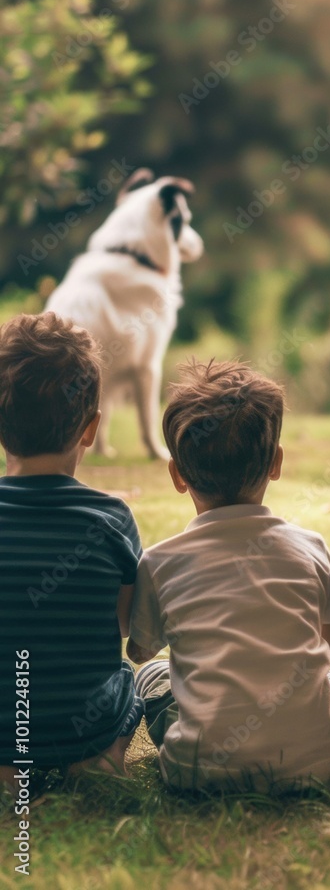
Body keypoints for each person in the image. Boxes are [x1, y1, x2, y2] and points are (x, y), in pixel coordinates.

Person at [127, 359, 330, 791]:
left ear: (177, 475)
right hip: (324, 769)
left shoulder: (160, 563)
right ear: (276, 463)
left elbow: (140, 650)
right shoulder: (310, 547)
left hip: (197, 773)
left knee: (150, 676)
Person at [0, 313, 144, 791]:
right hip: (83, 730)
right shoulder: (112, 520)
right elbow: (122, 626)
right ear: (90, 428)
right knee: (129, 680)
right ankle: (96, 760)